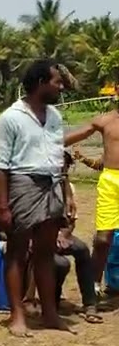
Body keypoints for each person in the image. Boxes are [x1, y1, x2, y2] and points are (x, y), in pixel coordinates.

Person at [0, 60, 74, 336]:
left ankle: (49, 313)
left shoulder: (55, 117)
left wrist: (65, 193)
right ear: (40, 83)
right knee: (17, 252)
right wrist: (2, 206)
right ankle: (17, 315)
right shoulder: (9, 119)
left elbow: (58, 159)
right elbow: (0, 166)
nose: (61, 87)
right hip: (22, 184)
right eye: (57, 82)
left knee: (45, 254)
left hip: (51, 185)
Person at [63, 96, 119, 296]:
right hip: (110, 180)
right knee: (104, 239)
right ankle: (93, 287)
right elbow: (71, 137)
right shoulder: (105, 120)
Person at [51, 152, 102, 319]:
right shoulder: (41, 186)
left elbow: (71, 219)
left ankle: (90, 303)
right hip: (40, 236)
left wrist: (64, 234)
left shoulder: (68, 188)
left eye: (66, 167)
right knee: (61, 263)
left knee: (82, 249)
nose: (63, 170)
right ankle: (52, 301)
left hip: (59, 234)